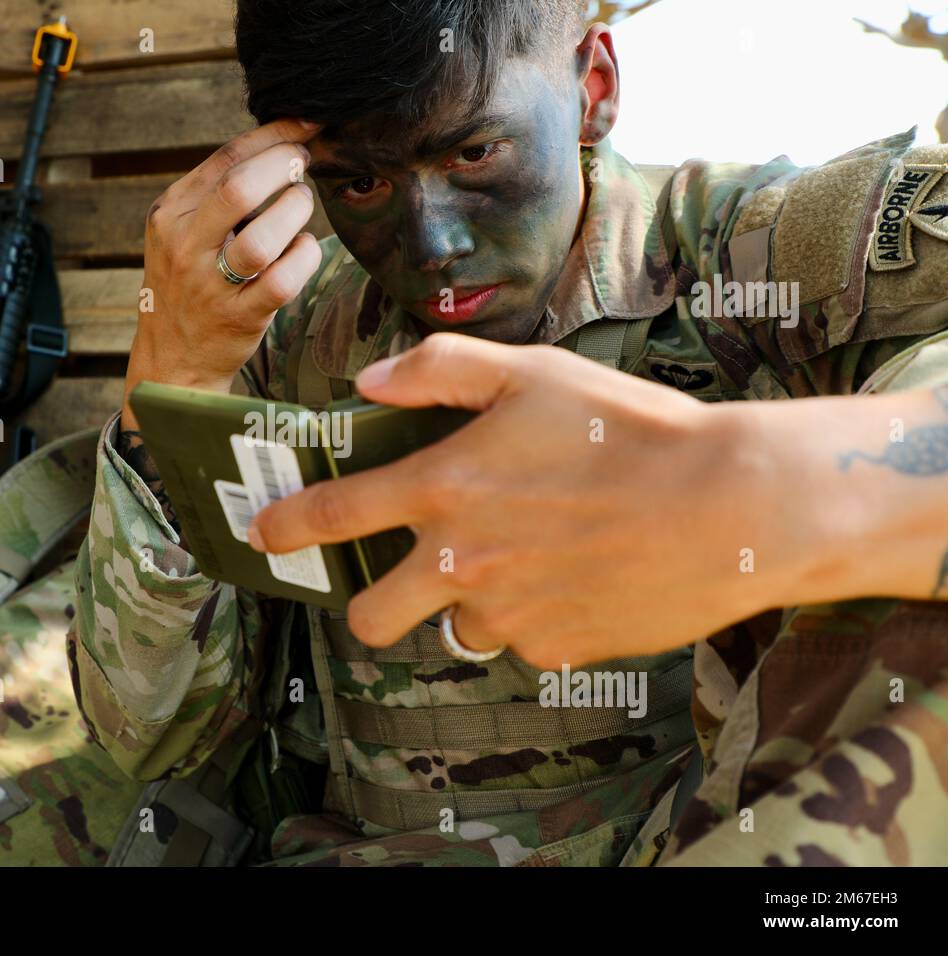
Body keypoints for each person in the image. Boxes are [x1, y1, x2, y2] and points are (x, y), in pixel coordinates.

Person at [68, 0, 948, 865]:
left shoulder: (763, 261)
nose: (433, 243)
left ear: (594, 85)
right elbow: (153, 738)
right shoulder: (284, 332)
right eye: (361, 181)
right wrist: (172, 382)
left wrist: (753, 481)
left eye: (475, 150)